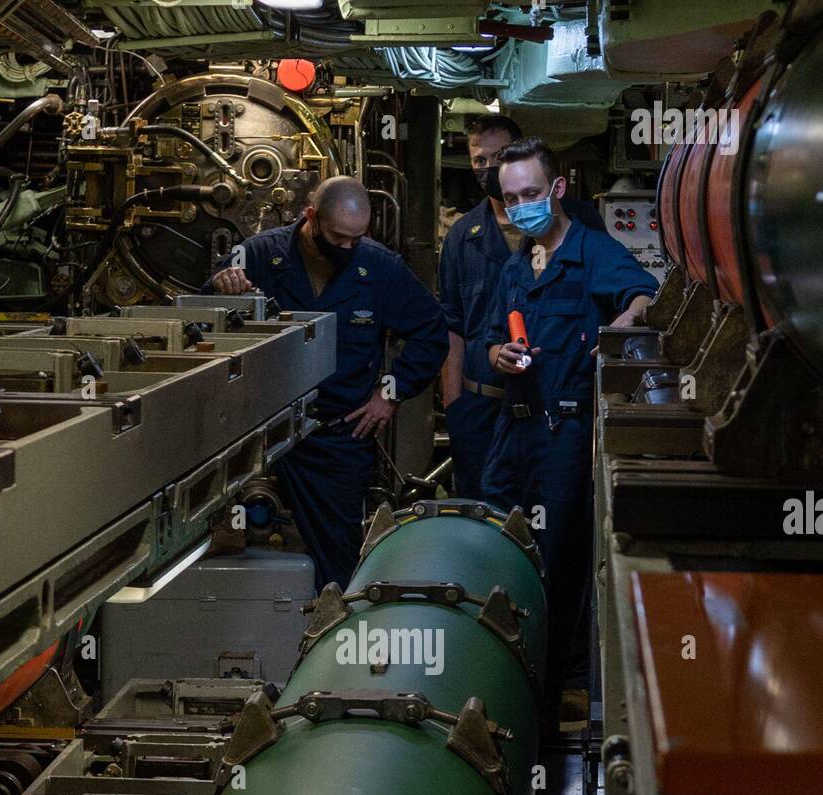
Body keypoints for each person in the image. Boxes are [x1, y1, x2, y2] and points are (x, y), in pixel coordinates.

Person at [482, 136, 658, 720]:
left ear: (557, 190)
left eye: (531, 193)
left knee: (556, 562)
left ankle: (552, 690)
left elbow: (643, 294)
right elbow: (488, 339)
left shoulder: (592, 253)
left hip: (565, 433)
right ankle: (507, 677)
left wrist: (623, 324)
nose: (521, 206)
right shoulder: (515, 264)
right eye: (511, 199)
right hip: (514, 431)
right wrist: (497, 356)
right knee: (500, 550)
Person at [205, 176, 448, 591]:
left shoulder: (380, 268)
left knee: (337, 564)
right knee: (232, 556)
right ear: (311, 217)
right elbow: (200, 323)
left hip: (334, 437)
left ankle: (330, 638)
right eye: (339, 237)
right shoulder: (261, 254)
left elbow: (431, 332)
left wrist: (388, 396)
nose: (348, 248)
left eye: (358, 238)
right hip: (256, 434)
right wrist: (223, 289)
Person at [438, 115, 606, 499]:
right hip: (482, 405)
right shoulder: (463, 235)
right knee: (481, 514)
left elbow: (611, 300)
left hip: (556, 408)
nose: (488, 167)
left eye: (497, 156)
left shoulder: (580, 223)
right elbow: (452, 324)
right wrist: (454, 404)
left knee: (555, 513)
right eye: (479, 159)